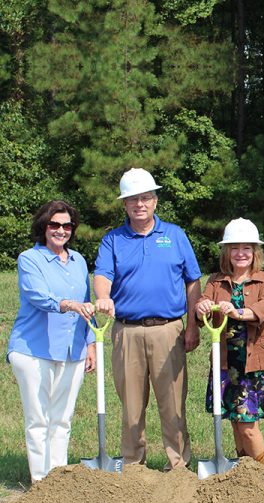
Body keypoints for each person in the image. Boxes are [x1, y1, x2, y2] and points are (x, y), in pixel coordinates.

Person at [94, 167, 202, 470]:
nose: (139, 204)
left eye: (145, 198)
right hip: (127, 331)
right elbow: (102, 275)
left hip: (169, 330)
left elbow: (193, 282)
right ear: (124, 205)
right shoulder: (113, 240)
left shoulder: (175, 235)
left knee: (172, 403)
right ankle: (133, 465)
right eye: (132, 200)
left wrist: (192, 326)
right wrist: (103, 296)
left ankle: (178, 465)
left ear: (155, 200)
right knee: (131, 405)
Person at [7, 200, 96, 482]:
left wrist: (91, 342)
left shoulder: (79, 260)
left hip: (73, 349)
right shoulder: (29, 259)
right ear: (43, 227)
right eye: (54, 225)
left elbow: (86, 304)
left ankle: (57, 480)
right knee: (39, 420)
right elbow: (36, 295)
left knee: (62, 419)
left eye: (67, 225)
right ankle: (40, 481)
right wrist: (67, 304)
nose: (61, 230)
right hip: (34, 349)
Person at [195, 218, 264, 463]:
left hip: (254, 364)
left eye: (246, 248)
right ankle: (243, 473)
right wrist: (201, 307)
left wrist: (236, 312)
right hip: (226, 364)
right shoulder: (216, 281)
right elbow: (200, 312)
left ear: (255, 252)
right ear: (227, 252)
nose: (240, 253)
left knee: (247, 425)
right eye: (235, 248)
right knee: (235, 423)